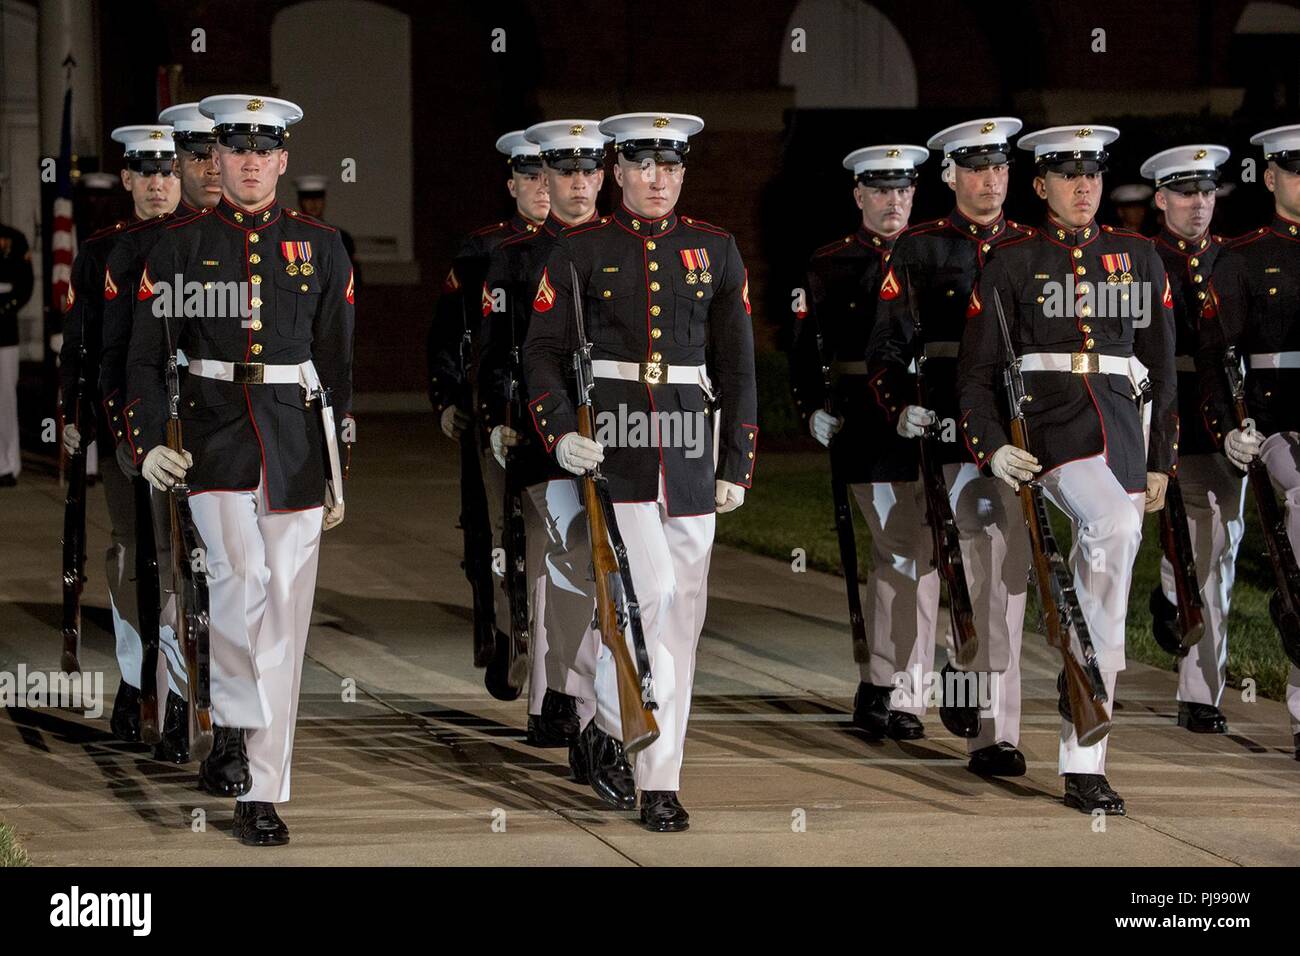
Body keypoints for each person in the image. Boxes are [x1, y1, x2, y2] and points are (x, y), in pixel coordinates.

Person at [126, 94, 354, 845]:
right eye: (236, 149)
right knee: (238, 582)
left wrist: (333, 468)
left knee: (285, 613)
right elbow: (147, 356)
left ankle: (263, 789)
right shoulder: (181, 247)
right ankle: (232, 714)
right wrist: (151, 437)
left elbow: (336, 363)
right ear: (214, 159)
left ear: (281, 161)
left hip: (292, 443)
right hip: (213, 437)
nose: (251, 162)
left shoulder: (320, 245)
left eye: (265, 150)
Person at [524, 112, 757, 832]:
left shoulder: (714, 250)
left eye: (672, 167)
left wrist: (736, 461)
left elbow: (737, 364)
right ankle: (645, 765)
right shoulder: (580, 250)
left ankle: (650, 764)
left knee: (681, 619)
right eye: (644, 166)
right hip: (615, 449)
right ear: (617, 172)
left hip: (690, 446)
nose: (659, 180)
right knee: (651, 594)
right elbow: (540, 352)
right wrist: (561, 431)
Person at [958, 125, 1176, 814]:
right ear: (1042, 185)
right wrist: (990, 446)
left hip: (1123, 437)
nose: (1084, 188)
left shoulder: (1137, 257)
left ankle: (1086, 753)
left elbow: (1163, 367)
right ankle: (1078, 718)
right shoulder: (1013, 263)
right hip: (1051, 431)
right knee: (1109, 528)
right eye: (1068, 176)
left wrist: (1163, 459)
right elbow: (974, 375)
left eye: (1093, 176)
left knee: (1109, 585)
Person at [867, 118, 1035, 774]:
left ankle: (990, 724)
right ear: (950, 175)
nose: (990, 180)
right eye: (976, 168)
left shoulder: (1031, 246)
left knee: (1002, 579)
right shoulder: (917, 248)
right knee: (951, 572)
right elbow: (885, 344)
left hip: (1016, 431)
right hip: (944, 430)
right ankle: (950, 712)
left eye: (999, 167)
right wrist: (899, 405)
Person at [790, 143, 932, 740]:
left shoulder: (934, 255)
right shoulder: (828, 265)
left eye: (902, 190)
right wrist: (810, 411)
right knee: (905, 553)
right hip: (867, 427)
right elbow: (806, 352)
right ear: (859, 196)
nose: (893, 201)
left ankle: (884, 681)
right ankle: (904, 691)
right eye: (881, 190)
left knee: (908, 556)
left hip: (936, 418)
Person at [97, 103, 223, 762]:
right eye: (189, 159)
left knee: (211, 574)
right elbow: (113, 357)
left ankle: (201, 706)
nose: (178, 176)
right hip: (150, 431)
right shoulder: (128, 251)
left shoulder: (233, 239)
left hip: (217, 432)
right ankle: (151, 689)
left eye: (198, 160)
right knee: (150, 563)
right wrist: (133, 436)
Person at [481, 119, 610, 754]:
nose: (579, 185)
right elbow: (496, 351)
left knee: (601, 568)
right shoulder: (515, 257)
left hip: (618, 434)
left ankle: (579, 700)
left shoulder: (624, 246)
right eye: (566, 173)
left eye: (590, 172)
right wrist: (500, 418)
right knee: (559, 562)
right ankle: (561, 701)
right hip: (542, 431)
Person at [60, 124, 180, 742]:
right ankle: (137, 681)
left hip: (187, 430)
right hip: (119, 429)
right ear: (129, 178)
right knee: (133, 555)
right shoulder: (101, 252)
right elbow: (80, 346)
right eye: (147, 173)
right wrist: (73, 416)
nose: (159, 185)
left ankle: (183, 687)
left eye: (169, 172)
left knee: (185, 558)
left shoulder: (200, 241)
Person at [427, 131, 548, 688]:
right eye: (531, 178)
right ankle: (503, 634)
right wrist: (448, 397)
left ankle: (548, 656)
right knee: (497, 530)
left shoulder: (581, 243)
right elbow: (450, 333)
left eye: (551, 176)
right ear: (512, 184)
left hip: (552, 404)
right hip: (494, 402)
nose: (542, 188)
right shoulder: (481, 250)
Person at [1195, 124, 1300, 760]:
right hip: (1276, 424)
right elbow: (1215, 356)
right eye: (1294, 170)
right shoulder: (1241, 255)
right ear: (1270, 178)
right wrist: (1228, 427)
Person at [1139, 144, 1239, 735]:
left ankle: (1201, 693)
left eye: (1205, 192)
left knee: (1216, 548)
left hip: (1212, 421)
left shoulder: (1234, 260)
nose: (1198, 204)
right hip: (1148, 415)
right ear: (1161, 199)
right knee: (1115, 542)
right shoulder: (1139, 258)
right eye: (1185, 193)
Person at [0, 174, 34, 486]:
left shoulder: (14, 238)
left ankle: (7, 465)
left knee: (5, 401)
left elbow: (24, 286)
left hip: (3, 332)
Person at [295, 175, 359, 290]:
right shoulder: (290, 236)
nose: (313, 204)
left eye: (318, 199)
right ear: (300, 202)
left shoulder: (341, 237)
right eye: (308, 199)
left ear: (324, 201)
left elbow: (352, 276)